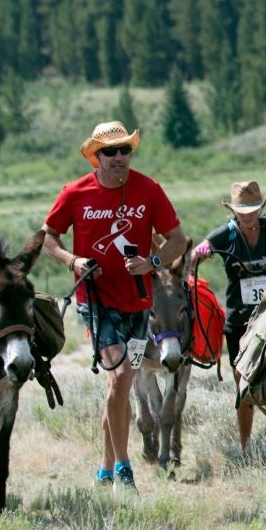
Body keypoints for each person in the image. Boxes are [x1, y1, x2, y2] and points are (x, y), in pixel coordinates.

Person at [43, 121, 186, 492]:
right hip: (95, 299)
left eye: (125, 150)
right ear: (96, 156)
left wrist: (152, 264)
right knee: (122, 376)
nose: (120, 157)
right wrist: (71, 260)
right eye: (111, 151)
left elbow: (176, 241)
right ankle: (124, 469)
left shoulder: (149, 189)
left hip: (139, 302)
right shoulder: (75, 193)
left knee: (119, 385)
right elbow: (48, 237)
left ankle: (104, 468)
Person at [191, 180, 266, 448]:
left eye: (252, 210)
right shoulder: (225, 235)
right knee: (243, 385)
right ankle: (246, 445)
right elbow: (197, 254)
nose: (247, 217)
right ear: (234, 211)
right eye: (242, 211)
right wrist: (200, 254)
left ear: (261, 209)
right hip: (240, 323)